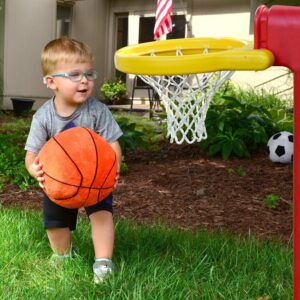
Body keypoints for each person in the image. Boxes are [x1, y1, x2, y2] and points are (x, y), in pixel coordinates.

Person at [24, 37, 123, 283]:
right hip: (59, 182)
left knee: (102, 215)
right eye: (75, 74)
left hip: (97, 178)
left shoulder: (98, 111)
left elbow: (113, 143)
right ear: (51, 82)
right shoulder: (44, 117)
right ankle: (63, 254)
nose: (84, 80)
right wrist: (34, 170)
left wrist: (115, 166)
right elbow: (31, 154)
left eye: (89, 74)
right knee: (55, 222)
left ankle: (103, 261)